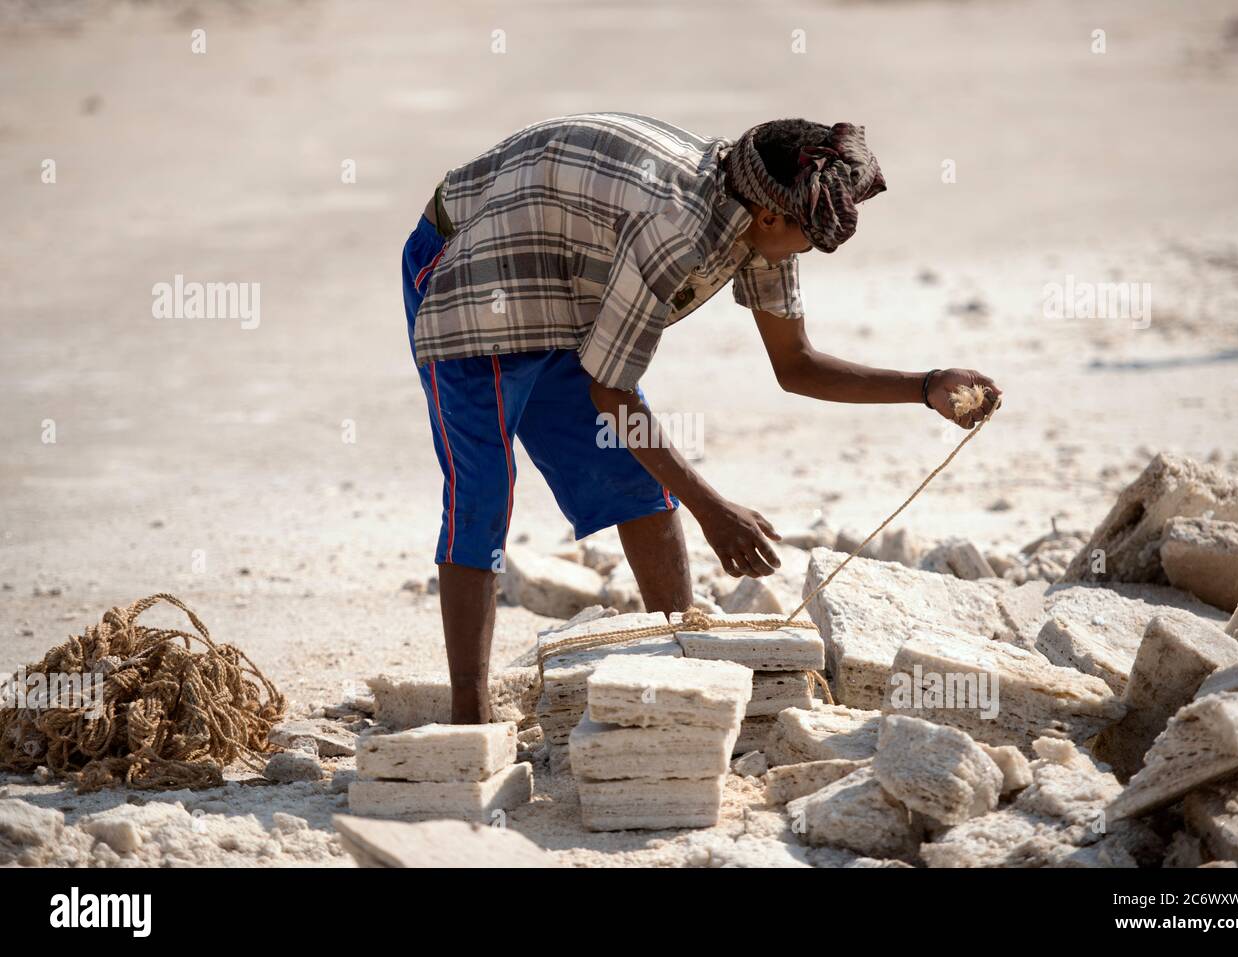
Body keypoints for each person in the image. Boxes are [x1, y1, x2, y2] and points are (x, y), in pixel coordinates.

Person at [400, 113, 1001, 722]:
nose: (809, 250)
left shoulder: (761, 212)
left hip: (566, 272)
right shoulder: (677, 232)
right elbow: (612, 396)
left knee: (633, 480)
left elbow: (797, 365)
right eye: (808, 236)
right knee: (483, 494)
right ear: (770, 218)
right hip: (475, 263)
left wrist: (927, 386)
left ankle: (680, 677)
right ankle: (467, 723)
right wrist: (712, 510)